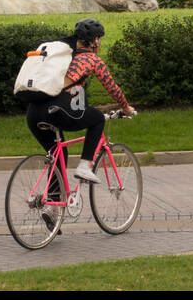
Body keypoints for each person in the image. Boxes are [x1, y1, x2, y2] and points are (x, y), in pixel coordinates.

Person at [24, 19, 136, 227]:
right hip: (58, 109)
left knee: (58, 153)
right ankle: (85, 166)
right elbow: (112, 88)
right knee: (97, 118)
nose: (100, 43)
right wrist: (126, 107)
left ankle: (52, 208)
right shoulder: (91, 59)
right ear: (95, 40)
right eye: (99, 39)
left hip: (33, 112)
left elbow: (76, 93)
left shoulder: (63, 55)